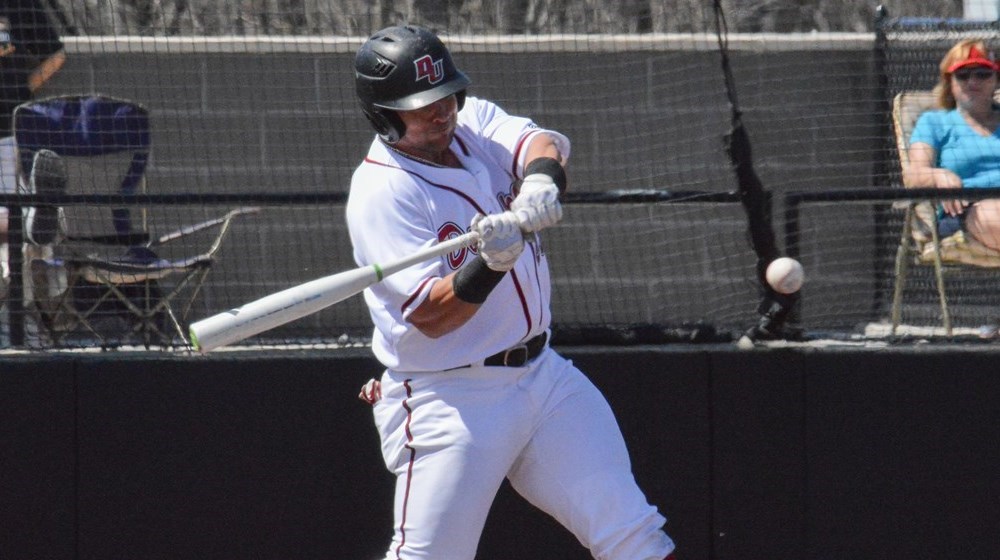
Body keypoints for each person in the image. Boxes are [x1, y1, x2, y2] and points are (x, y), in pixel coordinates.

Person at [347, 25, 677, 560]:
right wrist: (492, 262)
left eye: (445, 94)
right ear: (385, 113)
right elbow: (430, 316)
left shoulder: (472, 121)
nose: (441, 110)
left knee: (634, 535)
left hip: (544, 377)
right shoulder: (382, 192)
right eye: (421, 103)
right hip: (451, 397)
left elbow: (540, 144)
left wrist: (540, 183)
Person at [905, 39, 1000, 265]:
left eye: (982, 74)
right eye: (963, 75)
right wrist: (939, 175)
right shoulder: (934, 122)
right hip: (967, 211)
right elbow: (912, 175)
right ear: (950, 82)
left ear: (996, 79)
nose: (973, 81)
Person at [1, 0, 66, 294]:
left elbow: (55, 54)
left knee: (20, 231)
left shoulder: (19, 4)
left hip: (9, 137)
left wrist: (21, 92)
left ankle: (25, 321)